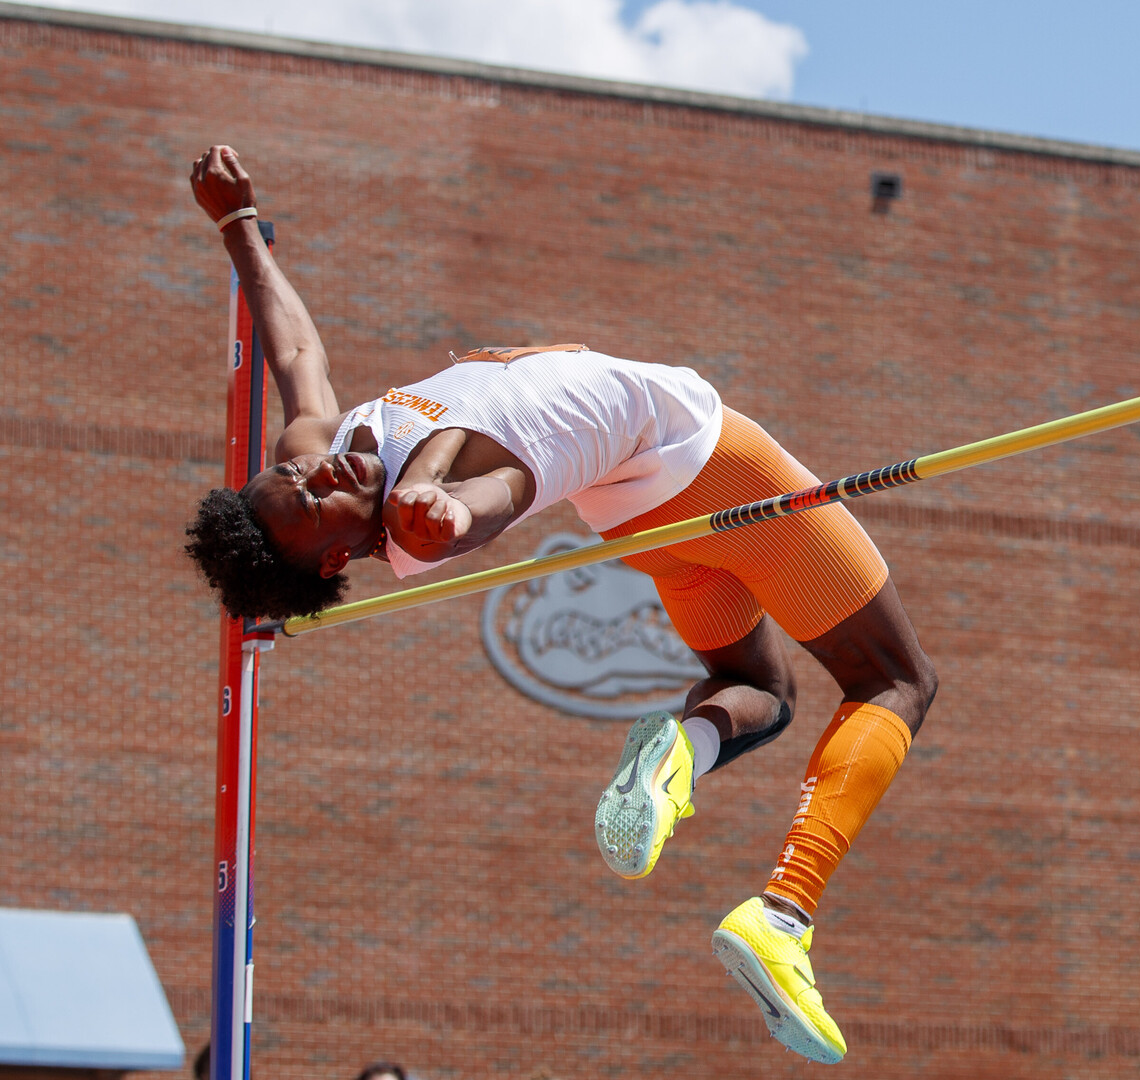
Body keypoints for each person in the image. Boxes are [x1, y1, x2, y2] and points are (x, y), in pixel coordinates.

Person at [182, 146, 937, 1065]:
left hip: (641, 522)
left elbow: (296, 350)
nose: (319, 472)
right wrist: (449, 517)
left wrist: (238, 227)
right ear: (339, 556)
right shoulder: (423, 519)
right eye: (313, 501)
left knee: (761, 693)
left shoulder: (331, 443)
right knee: (894, 680)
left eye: (295, 471)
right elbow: (488, 500)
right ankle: (783, 914)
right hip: (709, 462)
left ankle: (682, 752)